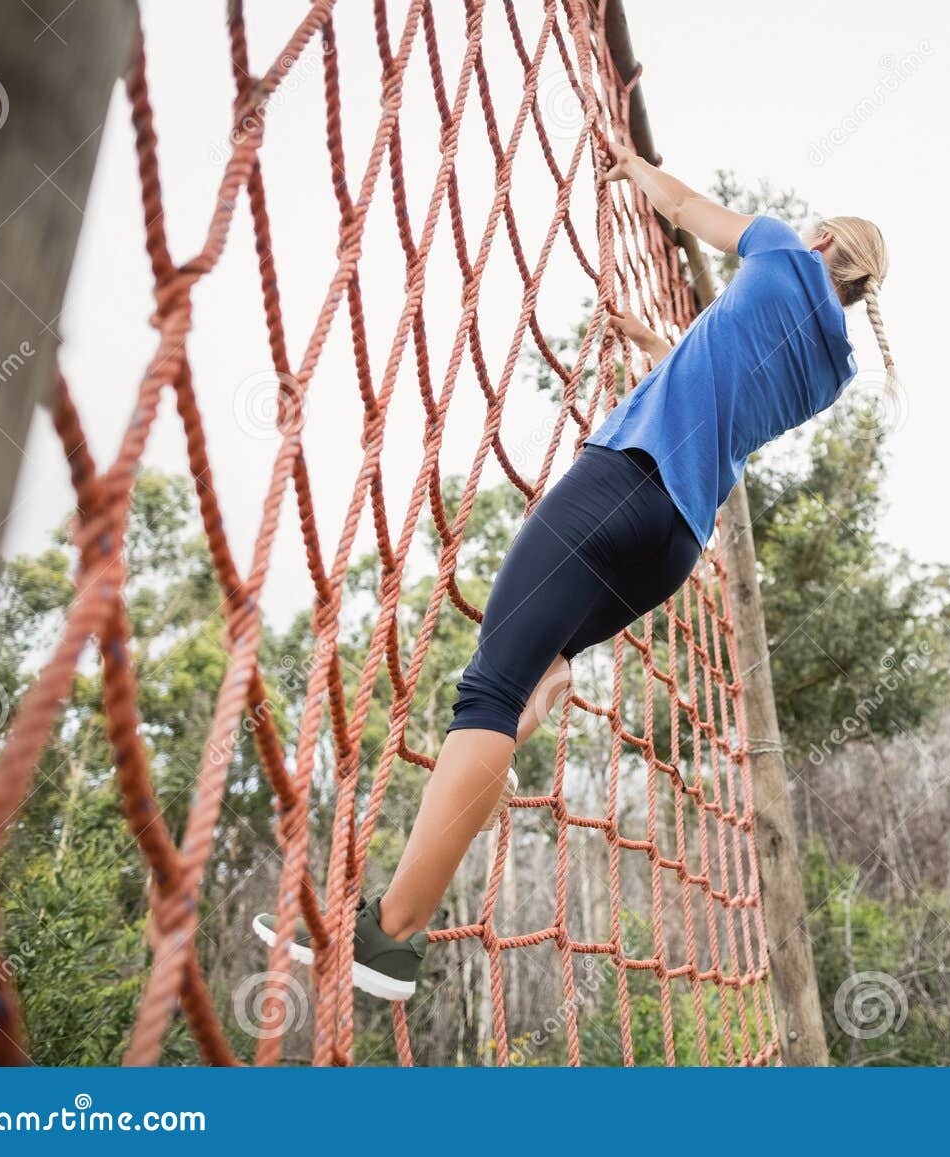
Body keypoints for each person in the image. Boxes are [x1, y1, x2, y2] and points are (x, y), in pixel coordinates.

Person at [254, 140, 896, 999]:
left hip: (622, 483)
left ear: (820, 243)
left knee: (484, 689)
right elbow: (731, 372)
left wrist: (633, 167)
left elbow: (685, 207)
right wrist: (659, 342)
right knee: (520, 688)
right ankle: (511, 742)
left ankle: (388, 939)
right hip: (672, 543)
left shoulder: (779, 248)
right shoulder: (832, 373)